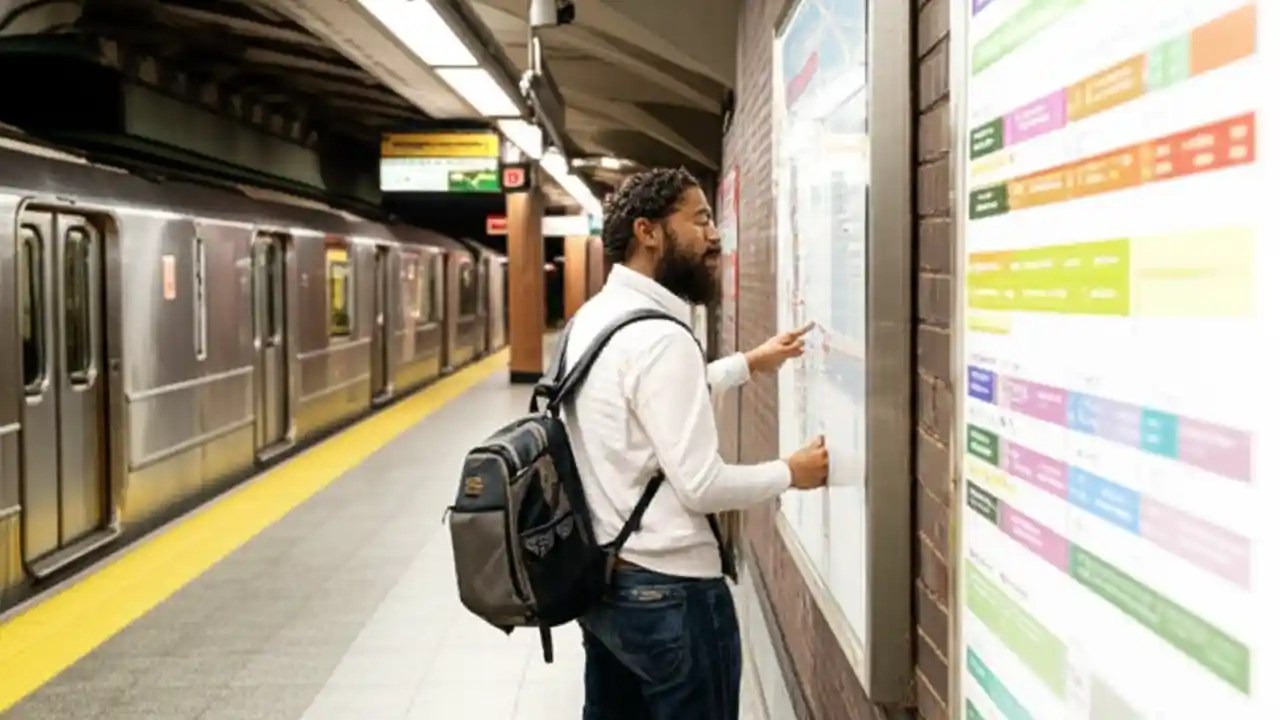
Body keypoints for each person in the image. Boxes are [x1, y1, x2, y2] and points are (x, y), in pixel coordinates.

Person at [562, 167, 830, 719]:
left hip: (606, 590)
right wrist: (790, 472)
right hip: (674, 597)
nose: (715, 236)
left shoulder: (592, 320)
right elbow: (701, 484)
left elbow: (638, 406)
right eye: (701, 219)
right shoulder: (661, 337)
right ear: (649, 231)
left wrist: (747, 364)